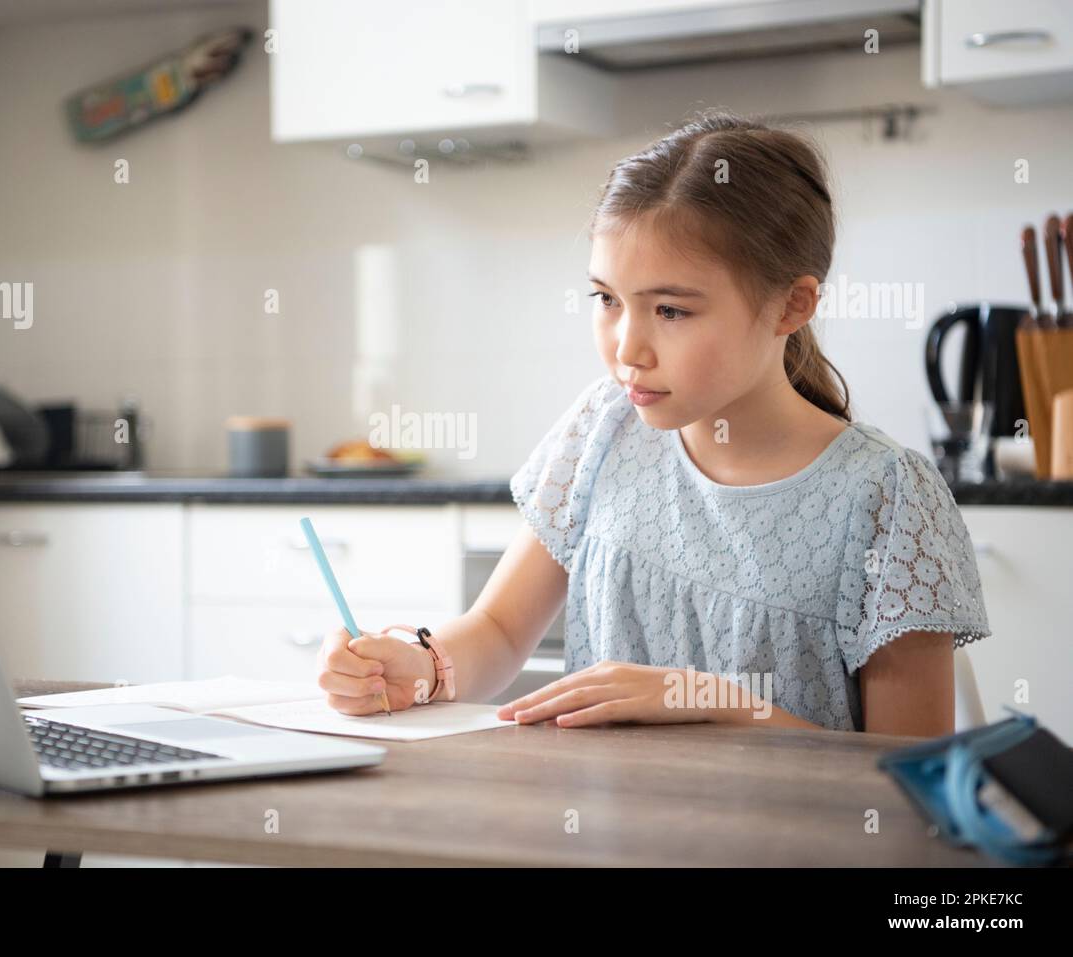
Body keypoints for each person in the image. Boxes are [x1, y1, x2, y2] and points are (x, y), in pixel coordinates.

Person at [316, 109, 992, 736]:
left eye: (670, 310)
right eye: (606, 299)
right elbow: (495, 630)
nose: (626, 349)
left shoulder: (889, 498)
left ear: (793, 305)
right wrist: (419, 666)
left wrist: (716, 702)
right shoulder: (602, 429)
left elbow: (911, 777)